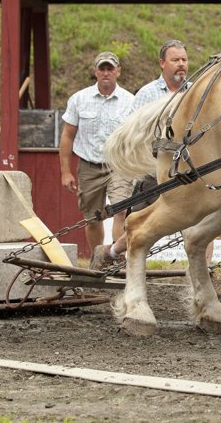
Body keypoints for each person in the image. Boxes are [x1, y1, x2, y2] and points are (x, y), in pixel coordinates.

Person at [99, 39, 194, 267]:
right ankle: (111, 252)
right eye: (175, 60)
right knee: (140, 224)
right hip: (153, 173)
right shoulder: (148, 93)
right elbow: (132, 134)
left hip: (187, 170)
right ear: (162, 63)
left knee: (199, 223)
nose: (181, 64)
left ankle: (206, 272)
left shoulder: (195, 93)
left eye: (184, 59)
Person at [58, 51, 135, 269]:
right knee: (93, 217)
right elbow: (67, 136)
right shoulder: (79, 99)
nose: (106, 73)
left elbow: (135, 137)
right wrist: (65, 171)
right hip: (89, 165)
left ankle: (115, 258)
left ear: (118, 71)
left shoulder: (130, 101)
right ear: (95, 72)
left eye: (110, 68)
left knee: (121, 210)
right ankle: (97, 256)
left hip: (119, 164)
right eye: (102, 68)